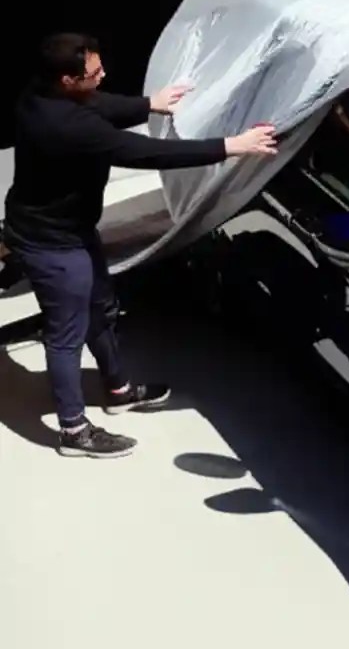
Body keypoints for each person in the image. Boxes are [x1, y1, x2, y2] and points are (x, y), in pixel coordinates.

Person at [2, 32, 278, 458]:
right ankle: (74, 431)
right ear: (68, 80)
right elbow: (145, 152)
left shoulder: (44, 94)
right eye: (94, 72)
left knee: (101, 309)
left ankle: (118, 390)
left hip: (73, 230)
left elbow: (100, 103)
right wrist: (233, 147)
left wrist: (150, 103)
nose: (103, 75)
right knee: (65, 335)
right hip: (51, 243)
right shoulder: (67, 127)